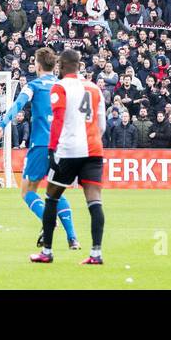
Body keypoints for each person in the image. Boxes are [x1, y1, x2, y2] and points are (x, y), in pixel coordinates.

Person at [0, 47, 79, 249]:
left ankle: (49, 220)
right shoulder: (63, 87)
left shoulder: (34, 85)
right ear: (54, 65)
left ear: (37, 66)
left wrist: (1, 126)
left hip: (40, 145)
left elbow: (17, 106)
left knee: (27, 192)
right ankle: (73, 237)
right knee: (56, 193)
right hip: (62, 147)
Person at [31, 48, 105, 265]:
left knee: (52, 196)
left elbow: (58, 120)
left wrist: (52, 150)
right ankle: (96, 254)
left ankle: (47, 251)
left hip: (68, 151)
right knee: (94, 200)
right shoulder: (94, 88)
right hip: (93, 150)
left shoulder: (60, 86)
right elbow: (101, 125)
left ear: (61, 66)